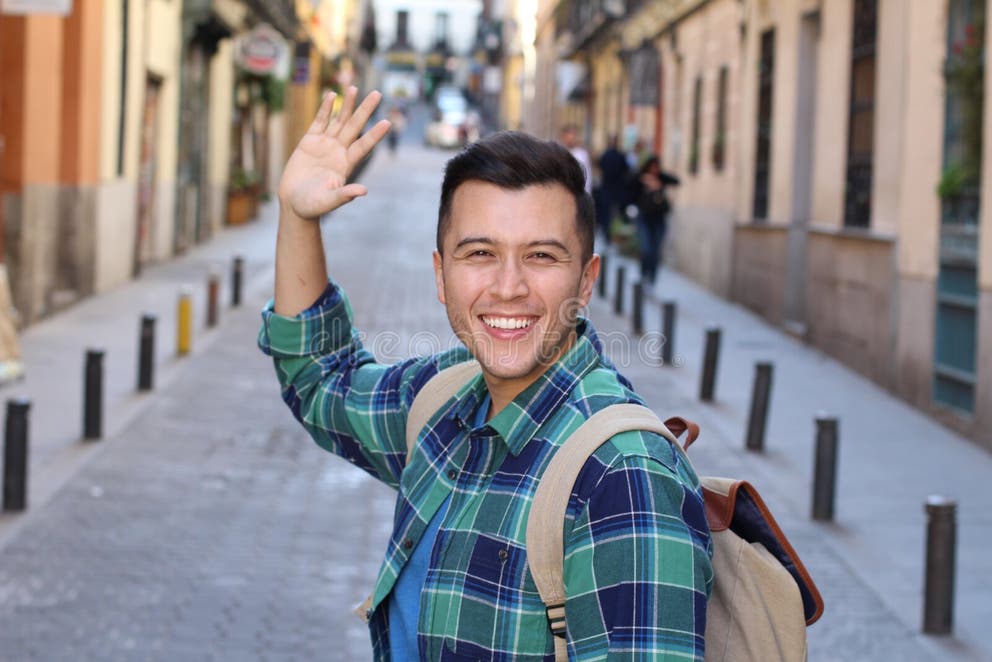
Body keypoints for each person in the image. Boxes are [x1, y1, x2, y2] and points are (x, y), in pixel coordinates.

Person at [259, 88, 712, 660]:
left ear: (587, 280)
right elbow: (323, 380)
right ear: (441, 275)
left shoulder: (623, 477)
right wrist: (298, 218)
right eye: (479, 254)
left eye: (542, 256)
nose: (508, 287)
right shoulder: (444, 401)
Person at [631, 155, 680, 286]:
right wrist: (643, 179)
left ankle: (651, 280)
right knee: (646, 248)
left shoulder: (660, 178)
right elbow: (629, 185)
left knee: (655, 252)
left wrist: (658, 185)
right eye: (651, 167)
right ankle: (643, 275)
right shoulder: (641, 178)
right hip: (644, 219)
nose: (654, 170)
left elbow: (676, 181)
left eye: (656, 168)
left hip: (659, 220)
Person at [596, 134, 630, 241]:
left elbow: (600, 166)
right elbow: (626, 170)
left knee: (606, 213)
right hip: (617, 189)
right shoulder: (620, 156)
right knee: (617, 213)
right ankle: (614, 234)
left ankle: (608, 234)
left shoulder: (605, 155)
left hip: (608, 188)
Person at [559, 123, 593, 194]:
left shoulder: (582, 154)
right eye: (569, 135)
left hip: (578, 192)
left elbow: (587, 175)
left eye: (573, 135)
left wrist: (587, 193)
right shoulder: (558, 153)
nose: (571, 138)